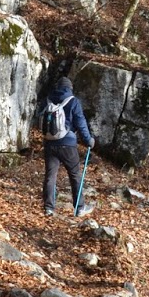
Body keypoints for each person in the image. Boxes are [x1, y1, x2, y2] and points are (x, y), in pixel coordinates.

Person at [39, 75, 95, 216]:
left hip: (50, 144)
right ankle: (79, 208)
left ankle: (49, 208)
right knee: (75, 175)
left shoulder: (48, 100)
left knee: (50, 176)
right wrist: (88, 140)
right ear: (70, 88)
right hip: (68, 144)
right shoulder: (73, 101)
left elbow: (39, 118)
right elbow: (80, 123)